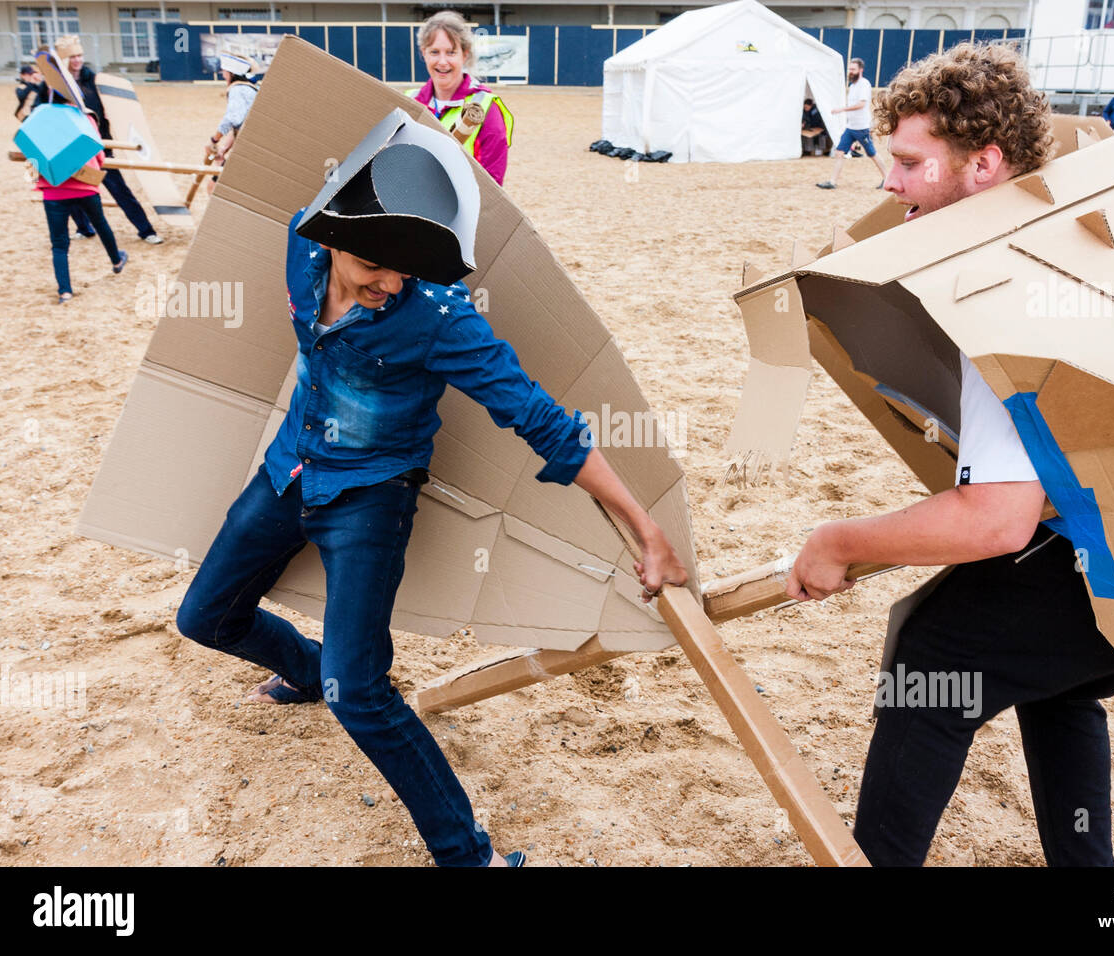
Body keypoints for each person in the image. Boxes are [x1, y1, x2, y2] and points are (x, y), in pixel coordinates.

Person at [174, 113, 688, 868]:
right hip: (289, 469)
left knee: (363, 695)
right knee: (202, 619)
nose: (391, 284)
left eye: (408, 270)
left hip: (371, 500)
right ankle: (306, 668)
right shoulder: (301, 244)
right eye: (376, 266)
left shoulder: (441, 319)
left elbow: (545, 423)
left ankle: (466, 855)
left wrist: (647, 529)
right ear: (332, 233)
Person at [786, 42, 1114, 866]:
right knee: (1050, 675)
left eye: (909, 163)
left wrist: (837, 540)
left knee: (934, 656)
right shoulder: (1061, 233)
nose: (888, 183)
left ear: (983, 165)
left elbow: (994, 523)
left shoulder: (1000, 292)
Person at [37, 36, 163, 245]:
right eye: (72, 57)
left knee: (119, 189)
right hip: (69, 147)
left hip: (98, 144)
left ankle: (146, 230)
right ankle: (84, 228)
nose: (77, 60)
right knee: (73, 188)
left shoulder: (94, 81)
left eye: (79, 56)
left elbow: (110, 110)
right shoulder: (51, 85)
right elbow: (41, 112)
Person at [34, 114, 129, 303]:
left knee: (59, 244)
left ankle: (65, 292)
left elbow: (32, 157)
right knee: (101, 224)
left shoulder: (39, 118)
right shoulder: (83, 118)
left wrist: (37, 181)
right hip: (85, 185)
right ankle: (116, 260)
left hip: (53, 190)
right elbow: (98, 152)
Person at [412, 10, 513, 186]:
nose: (442, 62)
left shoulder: (486, 107)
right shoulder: (410, 101)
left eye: (451, 52)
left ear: (464, 54)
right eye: (434, 52)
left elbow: (493, 185)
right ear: (424, 53)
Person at [817, 58, 889, 189]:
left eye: (853, 69)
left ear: (860, 70)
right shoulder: (853, 86)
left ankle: (887, 178)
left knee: (872, 153)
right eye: (849, 69)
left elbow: (861, 104)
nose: (850, 71)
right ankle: (832, 182)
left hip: (861, 128)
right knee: (839, 152)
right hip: (851, 127)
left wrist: (841, 109)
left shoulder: (864, 84)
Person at [205, 51, 259, 191]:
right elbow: (241, 125)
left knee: (213, 187)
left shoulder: (238, 89)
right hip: (252, 146)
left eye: (224, 71)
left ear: (231, 73)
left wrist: (214, 140)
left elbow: (233, 118)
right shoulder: (252, 88)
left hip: (248, 149)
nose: (223, 74)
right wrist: (224, 149)